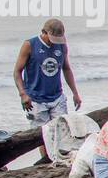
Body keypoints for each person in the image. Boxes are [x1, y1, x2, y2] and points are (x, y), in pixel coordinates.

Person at [13, 18, 81, 161]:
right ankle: (46, 160)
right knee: (42, 134)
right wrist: (22, 94)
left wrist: (75, 93)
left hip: (56, 97)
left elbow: (66, 68)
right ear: (44, 32)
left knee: (62, 130)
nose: (54, 42)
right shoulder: (30, 45)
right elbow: (17, 71)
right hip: (35, 99)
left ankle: (61, 157)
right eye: (52, 39)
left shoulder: (62, 46)